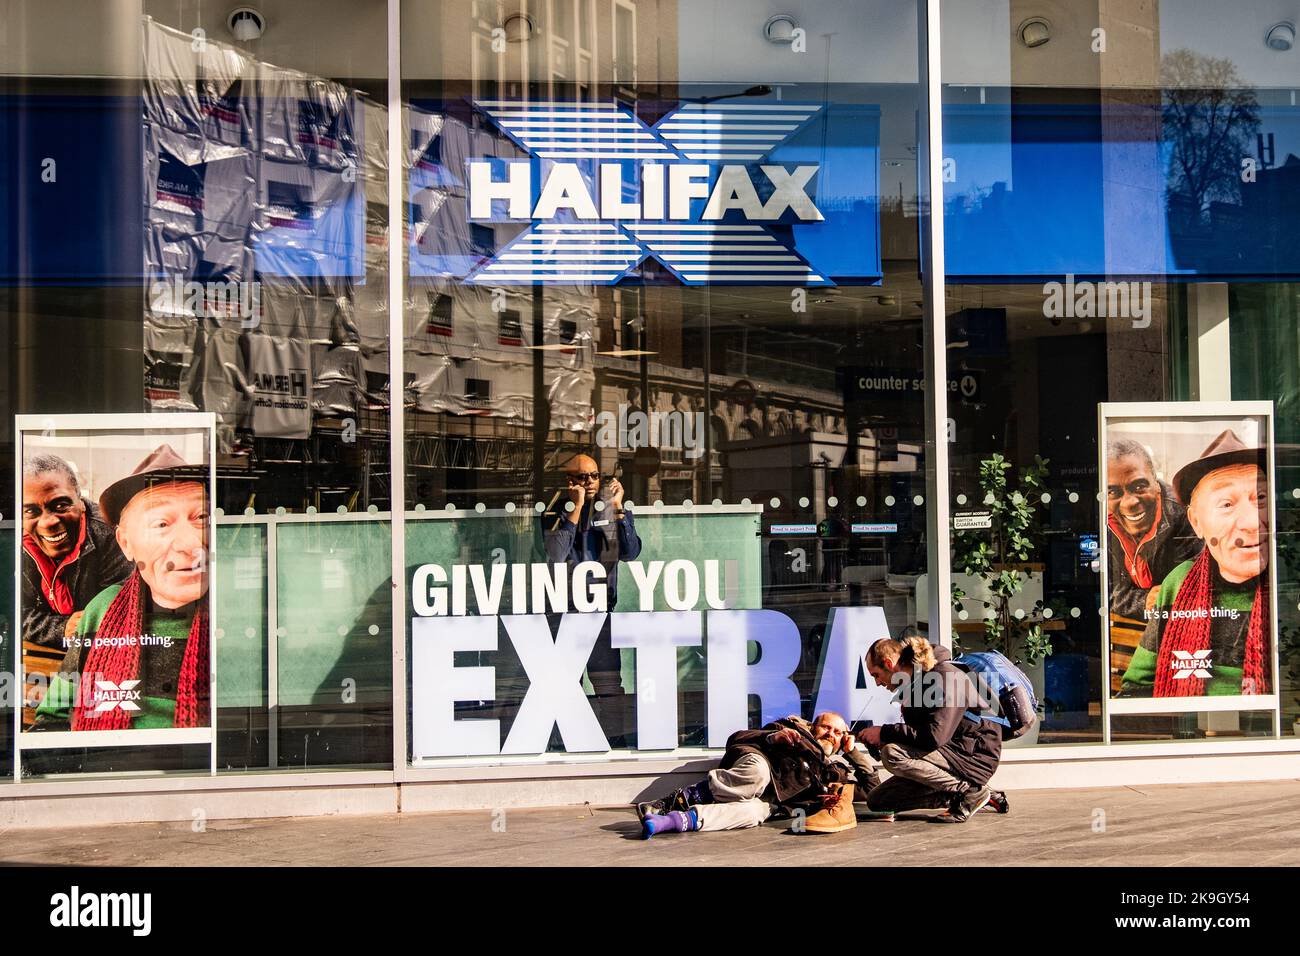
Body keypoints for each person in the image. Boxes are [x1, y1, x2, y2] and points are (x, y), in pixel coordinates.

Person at [33, 445, 210, 731]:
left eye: (202, 518)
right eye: (162, 523)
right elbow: (53, 717)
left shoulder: (236, 615)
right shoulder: (103, 609)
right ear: (126, 544)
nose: (190, 544)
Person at [1121, 430, 1270, 697]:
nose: (1251, 523)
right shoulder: (1179, 582)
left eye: (1260, 498)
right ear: (1197, 522)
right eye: (1226, 504)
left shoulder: (1286, 583)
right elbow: (1137, 685)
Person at [540, 453, 641, 744]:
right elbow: (556, 553)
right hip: (563, 612)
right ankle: (568, 742)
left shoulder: (610, 510)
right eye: (583, 477)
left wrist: (619, 507)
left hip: (600, 612)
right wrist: (576, 507)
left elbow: (631, 552)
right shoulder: (553, 511)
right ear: (569, 480)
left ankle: (615, 742)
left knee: (609, 686)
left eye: (595, 475)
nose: (591, 482)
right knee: (567, 684)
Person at [635, 712, 862, 837]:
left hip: (771, 802)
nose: (830, 734)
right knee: (758, 774)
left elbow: (871, 789)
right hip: (758, 765)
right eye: (826, 727)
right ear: (813, 727)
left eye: (837, 732)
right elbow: (736, 738)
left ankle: (669, 821)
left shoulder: (835, 772)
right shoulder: (791, 729)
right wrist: (772, 738)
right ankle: (675, 800)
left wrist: (853, 752)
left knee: (753, 813)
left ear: (843, 739)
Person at [857, 636, 1002, 822]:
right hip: (948, 753)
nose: (877, 683)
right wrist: (879, 739)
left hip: (973, 755)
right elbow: (918, 734)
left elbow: (934, 736)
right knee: (878, 801)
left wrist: (884, 733)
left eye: (876, 675)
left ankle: (970, 791)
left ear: (888, 663)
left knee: (892, 753)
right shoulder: (914, 684)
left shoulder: (945, 676)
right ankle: (980, 793)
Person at [21, 454, 134, 649]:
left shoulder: (111, 536)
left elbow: (108, 621)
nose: (48, 522)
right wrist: (61, 628)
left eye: (60, 505)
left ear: (80, 502)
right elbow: (15, 613)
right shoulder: (17, 544)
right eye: (31, 511)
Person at [1105, 438, 1199, 622]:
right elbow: (1107, 592)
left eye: (1139, 486)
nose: (1129, 502)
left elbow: (1181, 594)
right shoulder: (1104, 520)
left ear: (1156, 482)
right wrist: (1143, 600)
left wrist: (1155, 598)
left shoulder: (1184, 514)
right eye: (1113, 492)